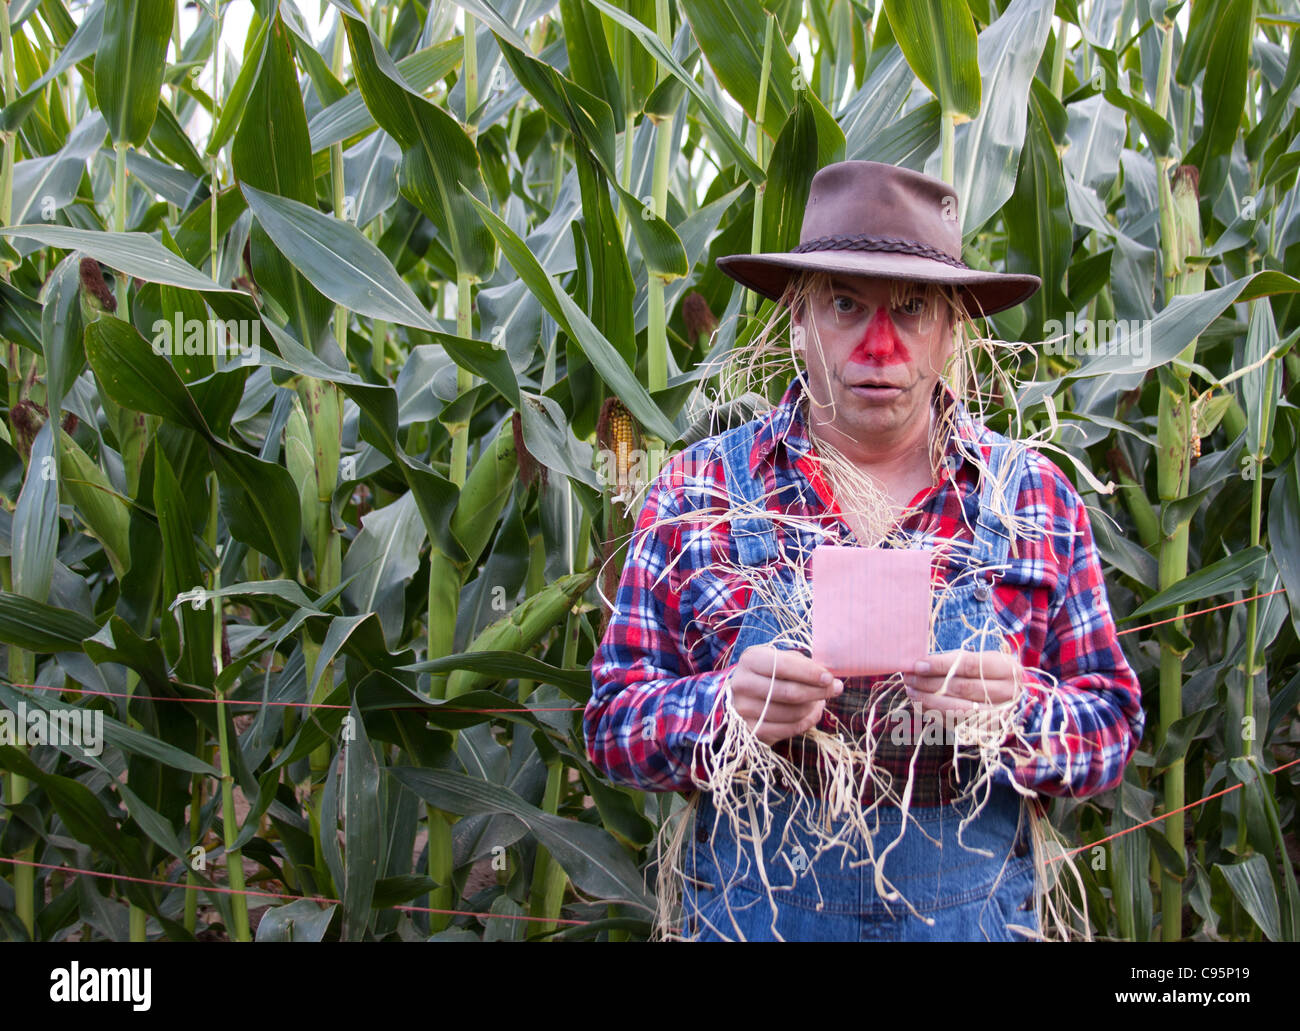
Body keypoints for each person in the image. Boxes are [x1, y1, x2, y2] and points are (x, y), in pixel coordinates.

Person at [584, 160, 1145, 941]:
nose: (880, 345)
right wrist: (723, 709)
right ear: (796, 320)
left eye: (911, 309)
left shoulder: (1033, 500)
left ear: (952, 331)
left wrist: (1017, 712)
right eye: (846, 305)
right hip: (756, 918)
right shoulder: (697, 491)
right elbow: (612, 726)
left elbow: (1112, 726)